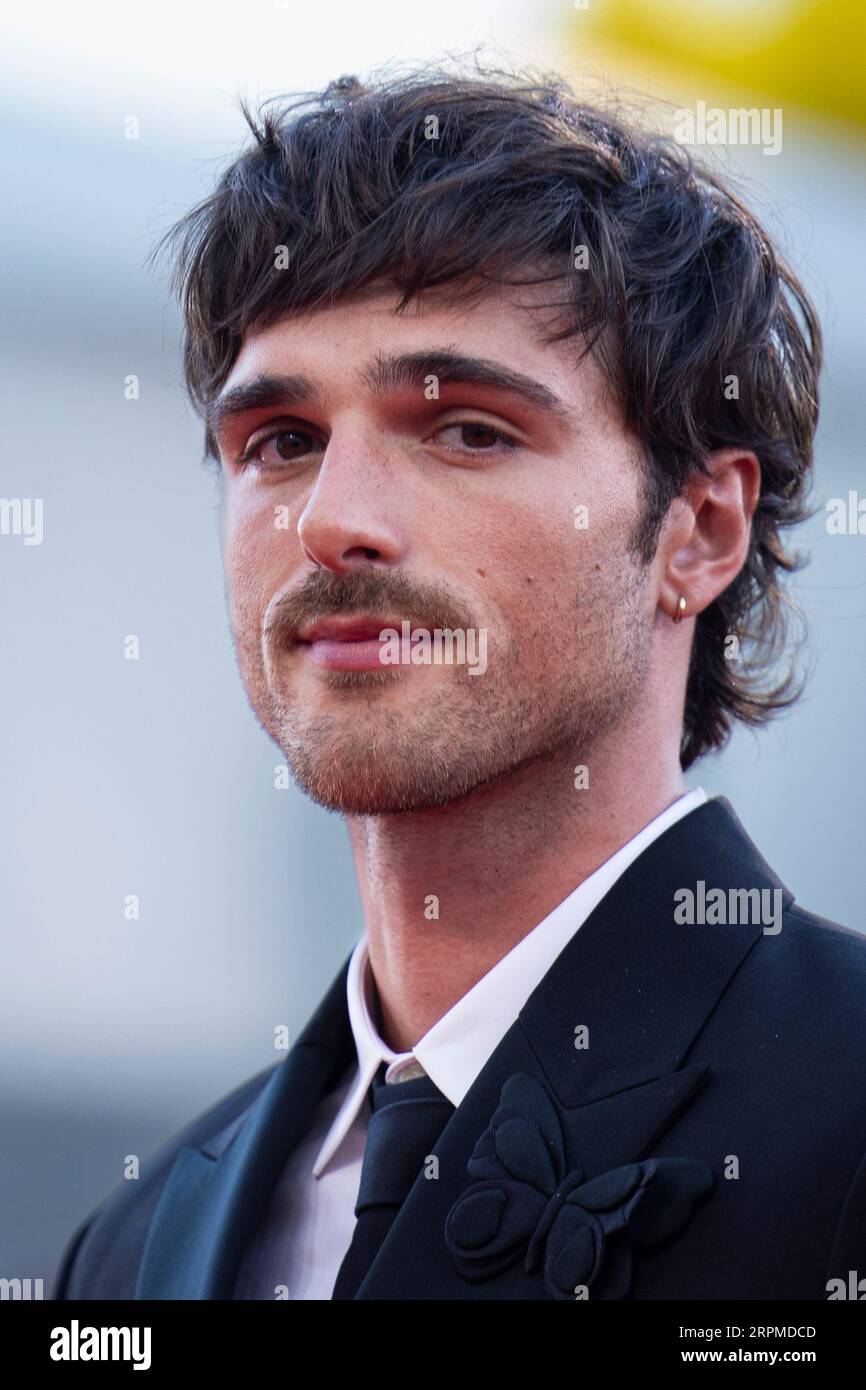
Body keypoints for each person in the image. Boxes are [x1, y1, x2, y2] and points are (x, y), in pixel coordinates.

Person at [55, 64, 866, 1302]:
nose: (334, 523)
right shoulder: (125, 1250)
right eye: (280, 442)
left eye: (466, 430)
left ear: (698, 529)